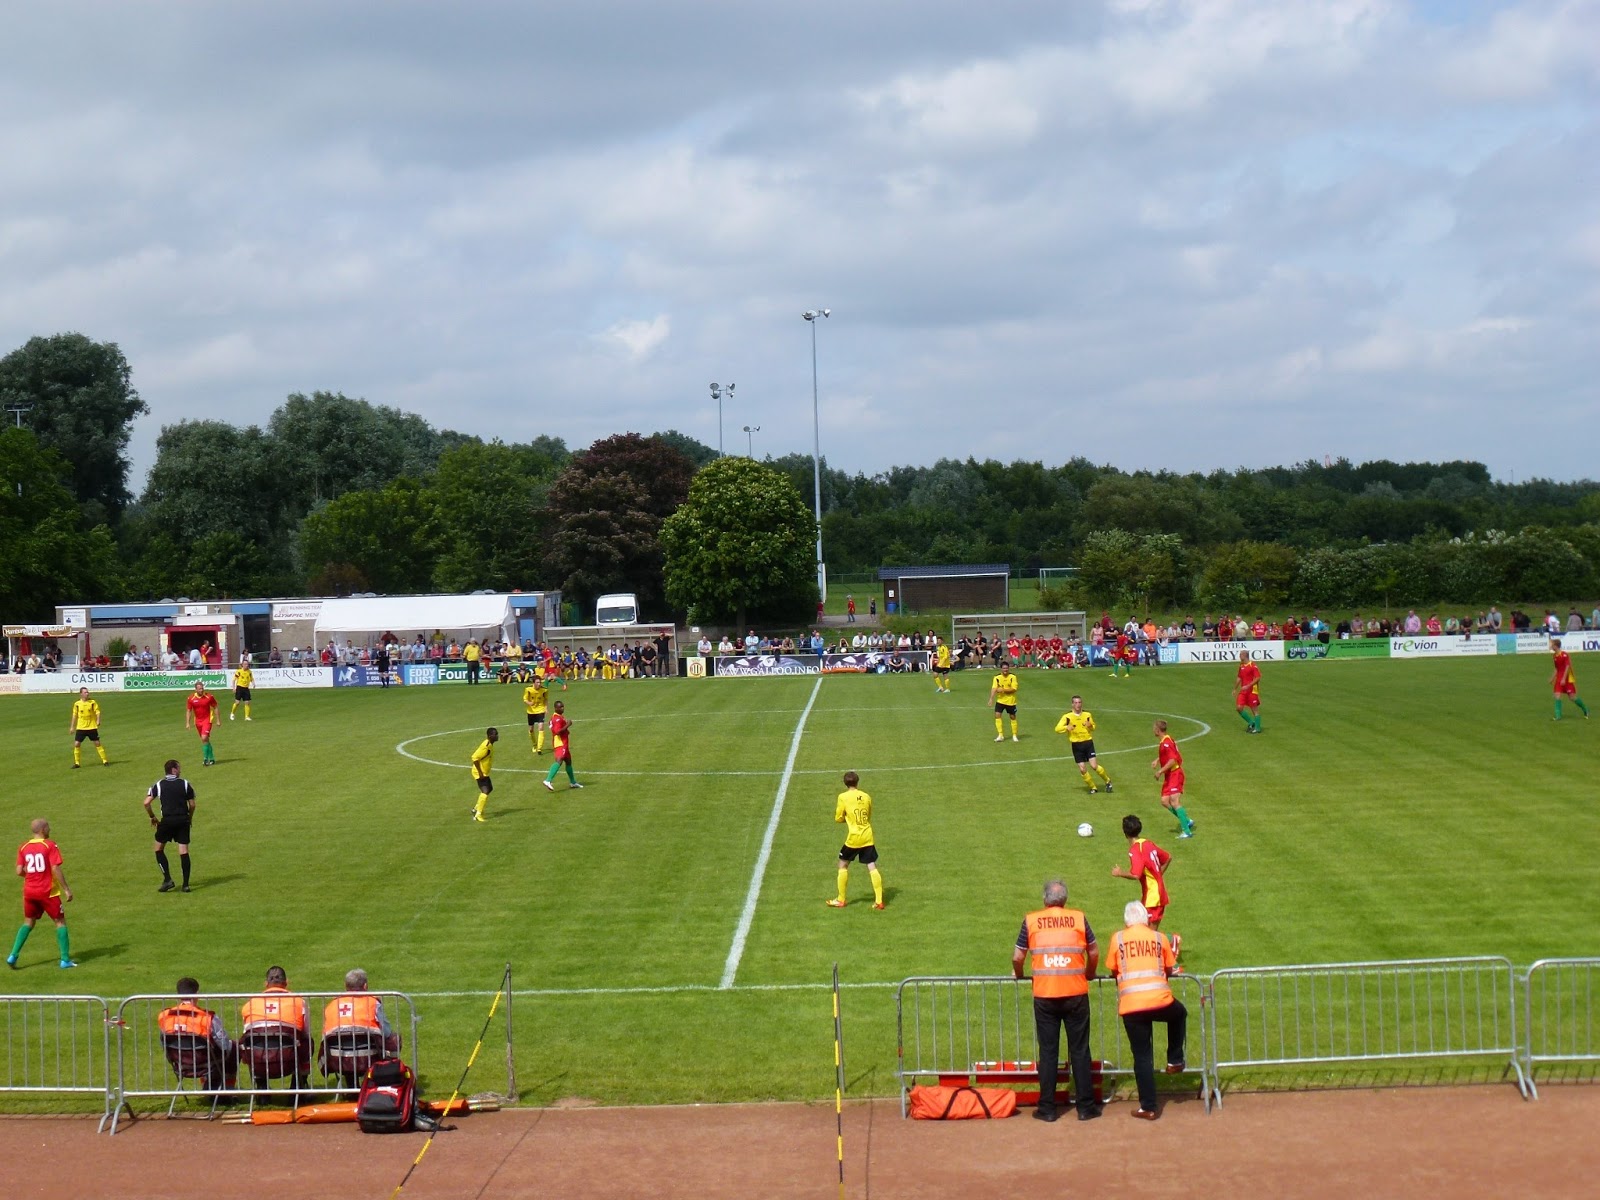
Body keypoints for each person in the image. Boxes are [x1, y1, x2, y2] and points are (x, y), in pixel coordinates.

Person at [1012, 878, 1100, 1122]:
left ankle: (1048, 1108)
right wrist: (1090, 973)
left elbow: (1018, 957)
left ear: (1044, 899)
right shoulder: (1078, 918)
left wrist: (1019, 976)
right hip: (1076, 993)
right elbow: (1093, 951)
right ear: (1065, 901)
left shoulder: (1031, 920)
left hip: (1045, 995)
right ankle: (1085, 1107)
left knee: (1049, 1052)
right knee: (1080, 1051)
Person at [1103, 901, 1187, 1120]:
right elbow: (1169, 967)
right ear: (1147, 919)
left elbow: (1112, 969)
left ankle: (1148, 1107)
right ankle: (1175, 1059)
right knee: (1179, 1014)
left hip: (1132, 1005)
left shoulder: (1118, 938)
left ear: (1126, 921)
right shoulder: (1159, 938)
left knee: (1142, 1056)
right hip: (1160, 1000)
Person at [8, 819, 75, 969]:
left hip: (29, 891)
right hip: (47, 891)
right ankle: (65, 960)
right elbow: (55, 868)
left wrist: (32, 876)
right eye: (48, 827)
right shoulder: (49, 845)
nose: (50, 829)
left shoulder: (23, 847)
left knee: (28, 922)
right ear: (43, 829)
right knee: (60, 922)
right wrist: (66, 889)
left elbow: (19, 871)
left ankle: (13, 955)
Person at [240, 965, 311, 1093]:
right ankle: (297, 1088)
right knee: (307, 1042)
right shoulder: (299, 1002)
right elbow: (306, 1032)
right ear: (286, 983)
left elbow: (246, 1033)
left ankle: (262, 1090)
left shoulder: (250, 1004)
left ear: (266, 984)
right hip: (288, 1059)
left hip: (259, 1060)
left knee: (250, 1044)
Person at [158, 978, 238, 1090]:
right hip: (205, 1063)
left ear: (178, 994)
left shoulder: (165, 1016)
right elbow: (224, 1044)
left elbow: (163, 1043)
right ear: (197, 994)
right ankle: (225, 1089)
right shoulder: (207, 1018)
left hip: (180, 1063)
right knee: (232, 1047)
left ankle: (211, 1085)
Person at [826, 771, 884, 909]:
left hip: (854, 837)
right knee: (871, 865)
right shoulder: (866, 796)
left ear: (845, 783)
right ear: (857, 782)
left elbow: (838, 817)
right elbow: (869, 815)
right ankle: (879, 901)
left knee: (842, 865)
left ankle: (841, 899)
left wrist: (845, 819)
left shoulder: (843, 797)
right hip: (867, 835)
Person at [1111, 815, 1174, 934]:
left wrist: (1120, 873)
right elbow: (1167, 857)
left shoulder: (1135, 850)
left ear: (1125, 833)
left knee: (1149, 934)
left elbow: (1136, 874)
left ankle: (1172, 941)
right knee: (1145, 931)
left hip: (1154, 897)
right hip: (1153, 894)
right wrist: (1158, 875)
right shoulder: (1147, 843)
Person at [144, 758, 197, 892]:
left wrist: (152, 817)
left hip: (167, 821)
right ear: (174, 769)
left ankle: (167, 879)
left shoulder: (159, 785)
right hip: (182, 820)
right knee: (184, 851)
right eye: (179, 768)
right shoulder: (185, 784)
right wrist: (189, 818)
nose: (180, 770)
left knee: (158, 849)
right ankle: (185, 885)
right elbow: (192, 804)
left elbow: (146, 803)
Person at [324, 967, 400, 1057]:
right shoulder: (372, 1003)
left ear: (345, 985)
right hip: (368, 1057)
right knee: (395, 1039)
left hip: (337, 1058)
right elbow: (387, 1032)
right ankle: (391, 1068)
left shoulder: (332, 1005)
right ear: (365, 986)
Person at [1054, 695, 1113, 795]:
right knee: (1082, 768)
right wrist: (1066, 728)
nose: (1078, 705)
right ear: (1072, 704)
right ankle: (1093, 787)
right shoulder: (1067, 717)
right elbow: (1057, 729)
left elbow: (1093, 726)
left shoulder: (1087, 715)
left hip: (1088, 743)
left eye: (1079, 702)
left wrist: (1090, 726)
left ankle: (1108, 781)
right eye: (1076, 703)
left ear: (1082, 704)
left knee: (1094, 766)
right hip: (1076, 745)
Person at [1150, 720, 1195, 838]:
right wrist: (1158, 759)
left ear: (1157, 730)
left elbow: (1172, 760)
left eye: (1154, 728)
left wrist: (1160, 771)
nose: (1153, 730)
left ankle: (1187, 832)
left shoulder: (1166, 743)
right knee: (1164, 801)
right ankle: (1187, 820)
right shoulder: (1167, 740)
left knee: (1174, 801)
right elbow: (1170, 754)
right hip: (1170, 775)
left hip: (1175, 774)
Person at [542, 701, 582, 791]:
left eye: (563, 707)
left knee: (568, 761)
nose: (563, 708)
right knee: (559, 761)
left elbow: (550, 725)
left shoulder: (556, 717)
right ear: (556, 708)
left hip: (563, 742)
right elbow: (557, 731)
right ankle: (548, 780)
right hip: (560, 743)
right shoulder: (557, 719)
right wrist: (568, 724)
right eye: (561, 707)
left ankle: (573, 782)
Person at [68, 686, 109, 768]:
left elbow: (97, 712)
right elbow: (74, 715)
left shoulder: (92, 702)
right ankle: (77, 763)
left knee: (97, 743)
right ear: (81, 694)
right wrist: (72, 727)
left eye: (87, 692)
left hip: (92, 726)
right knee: (77, 744)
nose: (87, 693)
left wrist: (98, 720)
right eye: (85, 692)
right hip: (81, 727)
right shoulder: (77, 704)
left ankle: (105, 761)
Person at [1551, 639, 1590, 721]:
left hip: (1567, 679)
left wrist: (1564, 679)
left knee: (1572, 697)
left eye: (1552, 644)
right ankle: (1558, 716)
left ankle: (1585, 709)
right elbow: (1557, 668)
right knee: (1557, 695)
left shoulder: (1565, 655)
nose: (1551, 646)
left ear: (1556, 646)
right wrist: (1552, 678)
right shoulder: (1554, 656)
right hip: (1559, 678)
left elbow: (1567, 667)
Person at [185, 681, 219, 766]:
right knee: (205, 740)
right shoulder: (191, 698)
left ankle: (205, 759)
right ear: (195, 689)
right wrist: (187, 723)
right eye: (199, 689)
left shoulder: (209, 696)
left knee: (204, 738)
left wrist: (218, 720)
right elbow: (189, 711)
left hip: (207, 720)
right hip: (198, 721)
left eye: (202, 688)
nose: (201, 690)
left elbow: (215, 707)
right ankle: (212, 759)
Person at [470, 727, 499, 822]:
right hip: (480, 773)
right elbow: (474, 758)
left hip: (484, 772)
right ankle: (478, 814)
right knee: (485, 791)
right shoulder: (485, 746)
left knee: (489, 788)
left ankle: (475, 809)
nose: (497, 736)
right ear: (490, 736)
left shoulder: (490, 744)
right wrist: (480, 773)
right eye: (495, 734)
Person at [988, 660, 1020, 743]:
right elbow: (994, 688)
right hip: (1000, 701)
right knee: (997, 715)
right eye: (1004, 668)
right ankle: (1000, 735)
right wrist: (991, 698)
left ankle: (1014, 735)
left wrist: (1003, 690)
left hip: (1011, 701)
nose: (1005, 670)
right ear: (1001, 669)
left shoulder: (1013, 677)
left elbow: (1013, 689)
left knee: (1012, 717)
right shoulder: (997, 678)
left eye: (1007, 668)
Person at [1234, 649, 1262, 734]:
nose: (1239, 656)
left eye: (1241, 654)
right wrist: (1235, 688)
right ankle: (1251, 722)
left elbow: (1258, 678)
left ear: (1245, 655)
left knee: (1254, 710)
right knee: (1239, 708)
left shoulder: (1253, 666)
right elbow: (1239, 677)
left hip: (1252, 691)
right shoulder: (1241, 665)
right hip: (1243, 691)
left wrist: (1248, 686)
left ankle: (1257, 728)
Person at [523, 673, 550, 755]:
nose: (539, 684)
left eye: (540, 682)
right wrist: (529, 703)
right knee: (531, 729)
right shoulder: (528, 689)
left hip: (540, 710)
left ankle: (539, 748)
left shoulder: (544, 690)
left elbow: (545, 699)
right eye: (537, 682)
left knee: (541, 727)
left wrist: (545, 708)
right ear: (533, 683)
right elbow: (524, 699)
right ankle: (535, 745)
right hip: (531, 711)